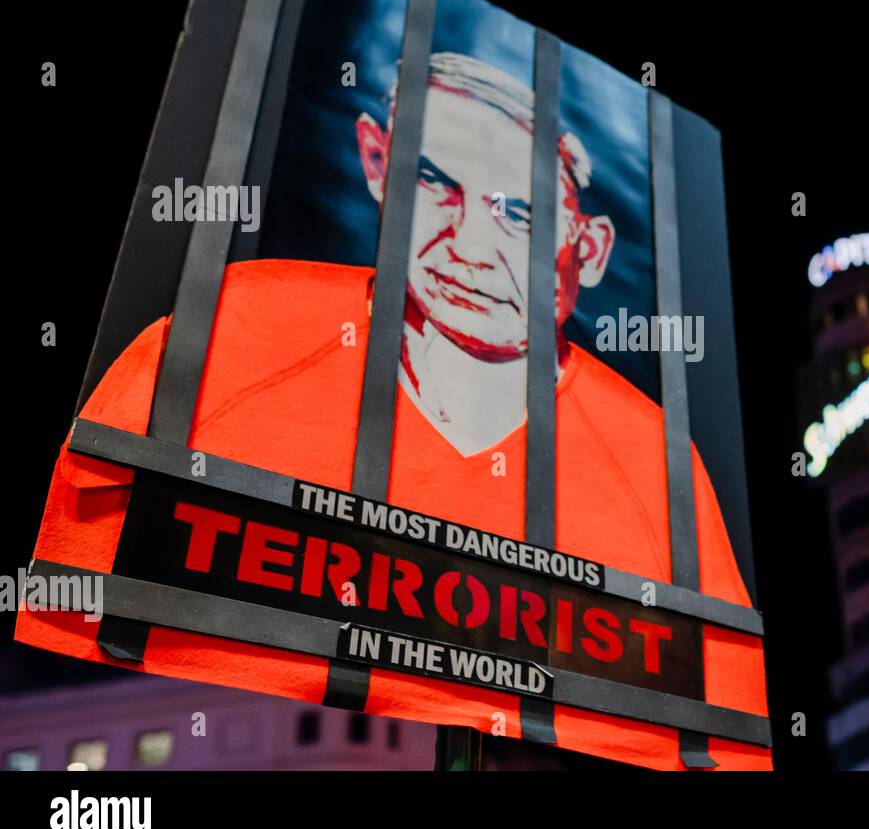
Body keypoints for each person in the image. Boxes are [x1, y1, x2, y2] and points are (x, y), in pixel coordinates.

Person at [17, 52, 770, 770]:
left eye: (520, 213)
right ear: (377, 163)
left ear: (590, 247)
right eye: (436, 183)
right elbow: (89, 568)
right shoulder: (232, 336)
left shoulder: (653, 462)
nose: (471, 245)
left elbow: (722, 710)